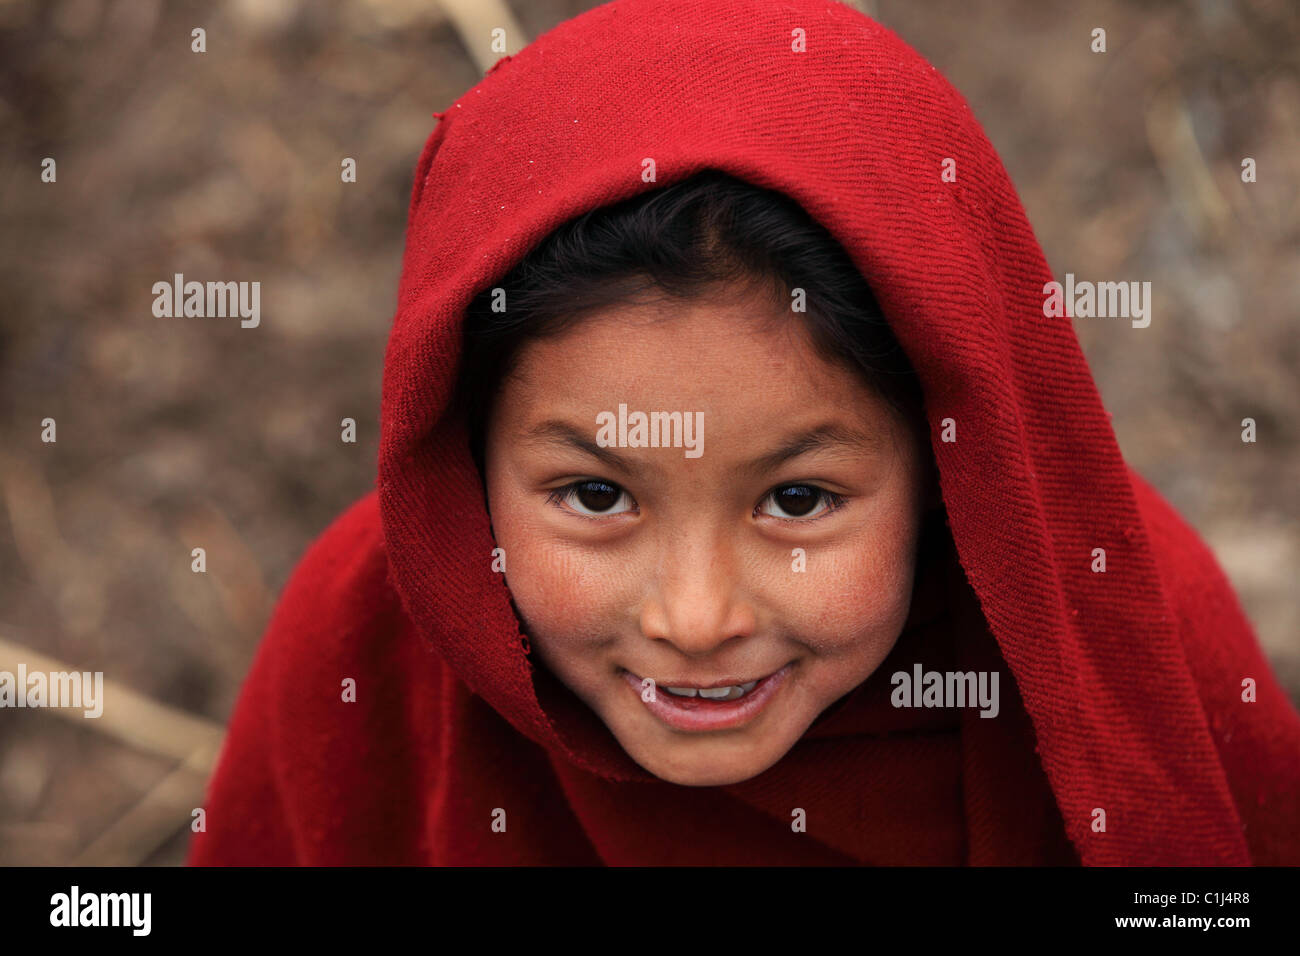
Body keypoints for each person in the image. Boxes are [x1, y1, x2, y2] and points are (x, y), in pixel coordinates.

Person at [187, 0, 1300, 865]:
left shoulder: (1122, 639)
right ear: (466, 457)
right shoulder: (370, 649)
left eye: (798, 499)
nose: (697, 617)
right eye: (594, 494)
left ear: (947, 462)